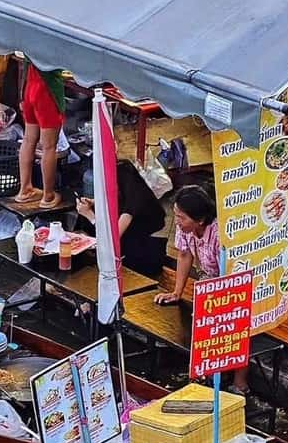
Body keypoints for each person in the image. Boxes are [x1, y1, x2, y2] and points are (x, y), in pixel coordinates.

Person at [154, 185, 250, 393]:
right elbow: (184, 255)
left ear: (200, 219)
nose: (177, 222)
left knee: (236, 328)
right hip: (209, 282)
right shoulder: (185, 229)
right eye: (176, 215)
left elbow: (229, 276)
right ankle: (206, 373)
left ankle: (240, 383)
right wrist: (177, 292)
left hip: (233, 283)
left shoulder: (220, 235)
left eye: (182, 217)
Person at [75, 161, 167, 277]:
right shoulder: (128, 194)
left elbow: (112, 238)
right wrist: (93, 203)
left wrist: (90, 216)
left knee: (91, 219)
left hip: (144, 256)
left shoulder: (134, 202)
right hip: (131, 245)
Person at [13, 62, 65, 209]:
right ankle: (48, 196)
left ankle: (25, 190)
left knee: (29, 140)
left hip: (30, 88)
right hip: (47, 92)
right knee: (49, 147)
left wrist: (21, 95)